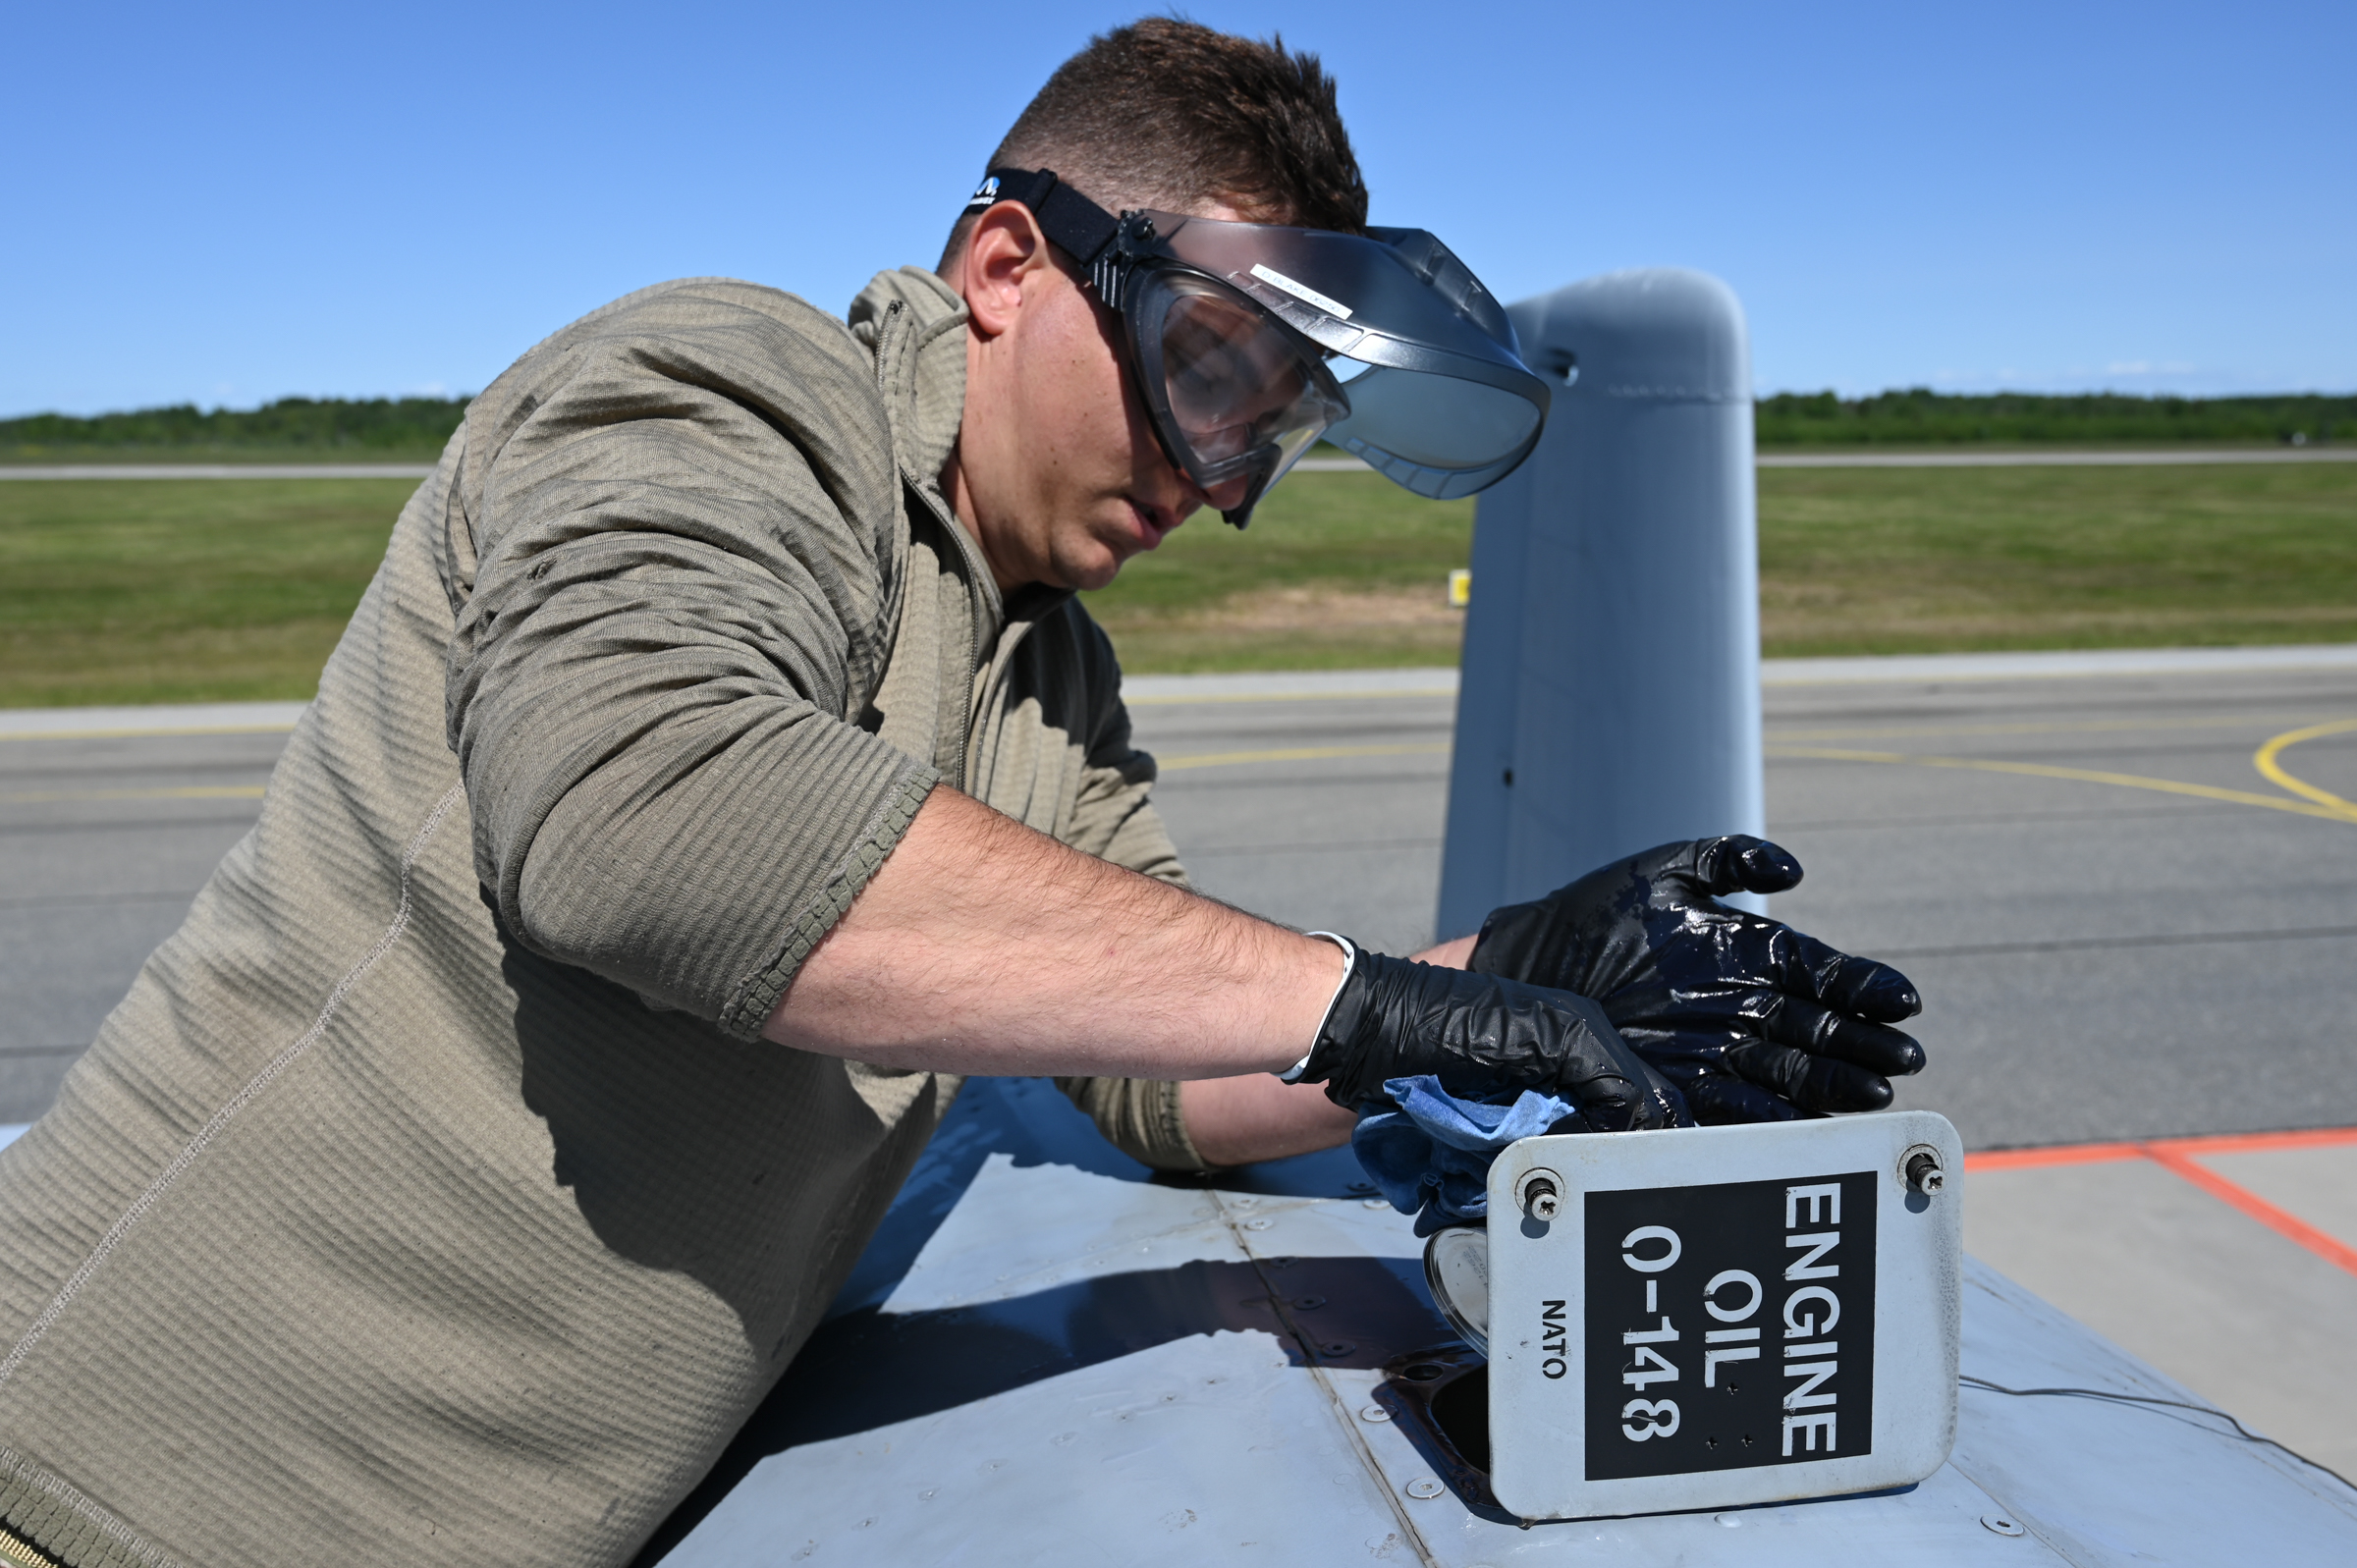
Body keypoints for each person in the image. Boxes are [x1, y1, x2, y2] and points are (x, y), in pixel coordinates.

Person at [0, 20, 1921, 1568]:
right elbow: (651, 818)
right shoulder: (734, 388)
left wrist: (1510, 969)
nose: (1222, 479)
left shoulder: (1047, 669)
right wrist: (1376, 999)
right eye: (1208, 366)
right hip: (126, 1504)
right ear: (1008, 265)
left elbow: (1158, 1076)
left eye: (1277, 426)